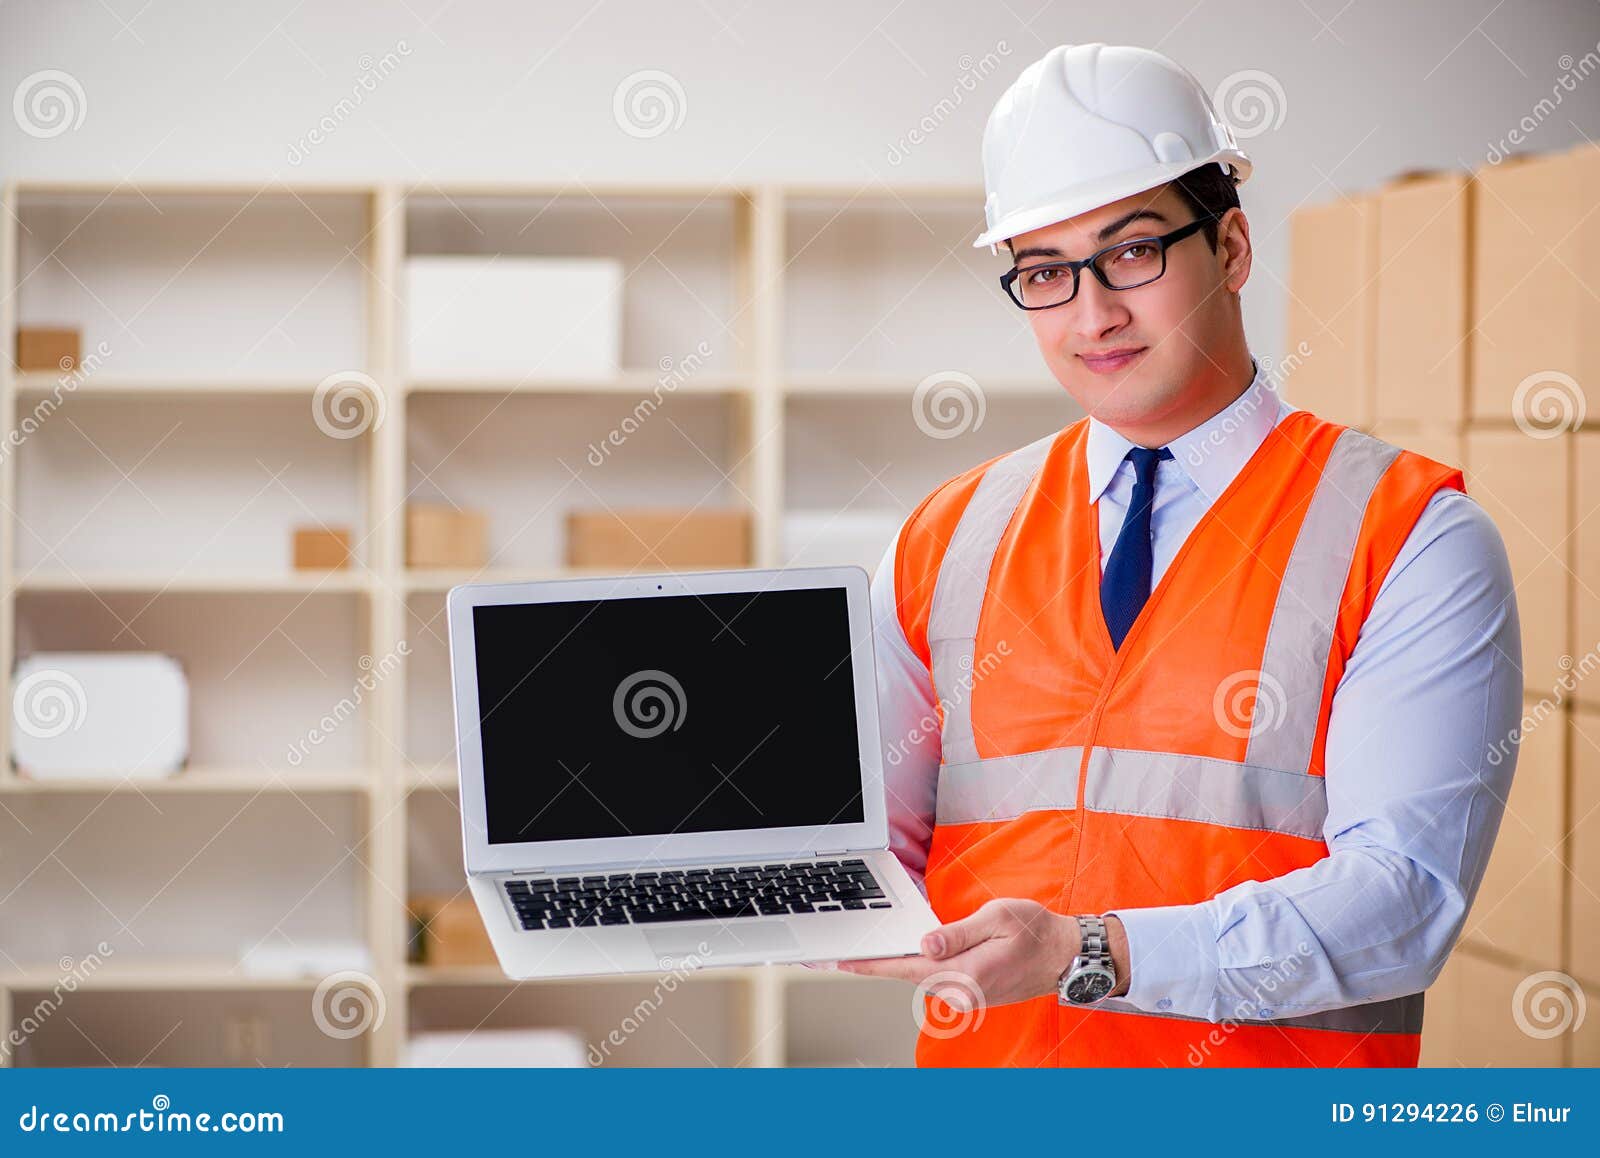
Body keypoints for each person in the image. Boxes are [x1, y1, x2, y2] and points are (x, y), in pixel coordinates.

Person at [838, 42, 1522, 1068]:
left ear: (1231, 248)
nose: (1093, 314)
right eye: (1045, 271)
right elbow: (873, 854)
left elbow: (1404, 900)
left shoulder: (1408, 535)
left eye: (1132, 253)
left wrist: (1089, 952)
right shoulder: (945, 535)